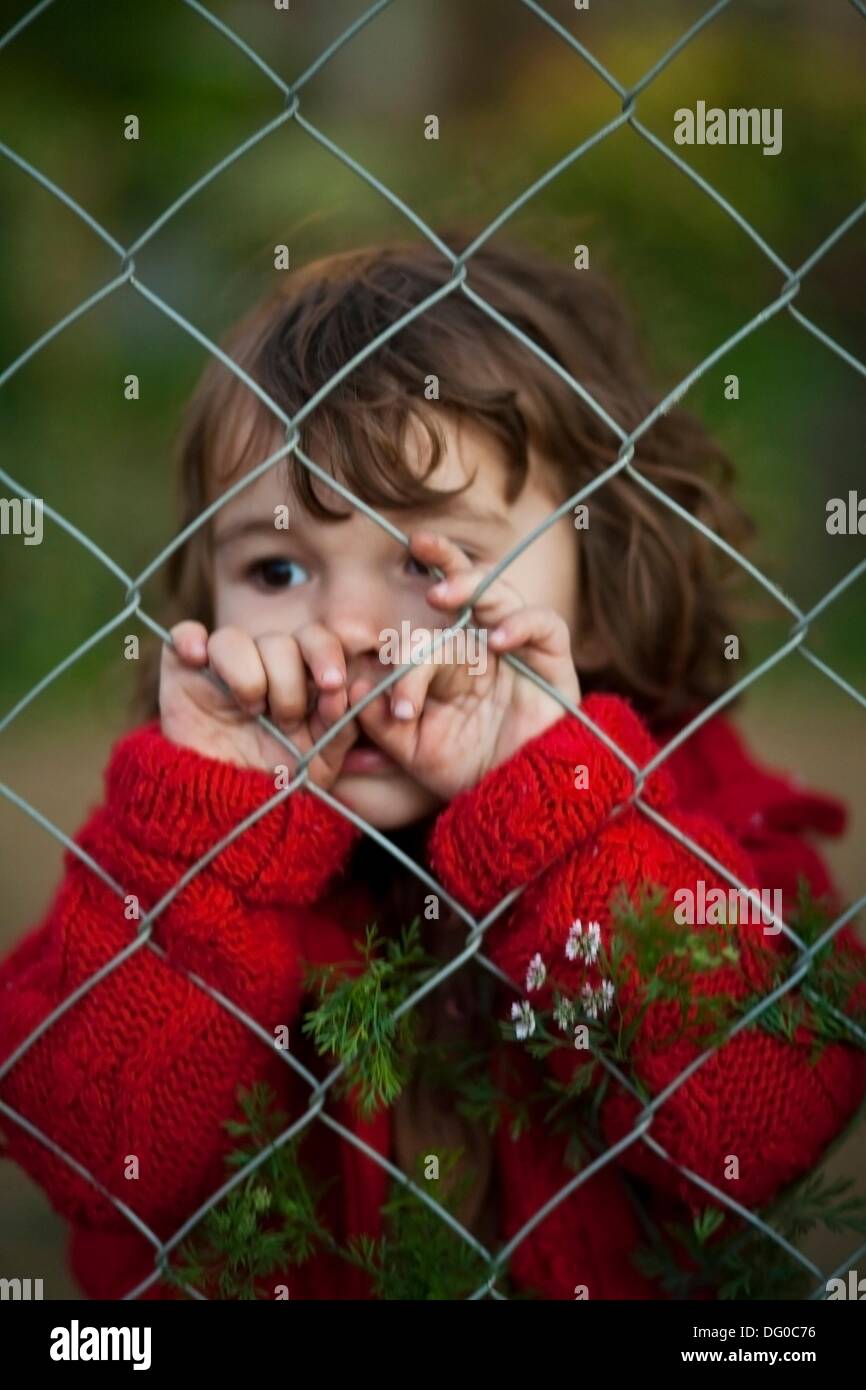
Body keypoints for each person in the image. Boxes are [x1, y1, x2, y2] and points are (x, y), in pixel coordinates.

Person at [1, 236, 864, 1301]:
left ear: (590, 587)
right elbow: (90, 1150)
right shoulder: (167, 843)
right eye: (275, 568)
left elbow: (757, 1126)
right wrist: (213, 840)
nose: (349, 628)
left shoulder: (705, 818)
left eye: (429, 564)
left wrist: (550, 795)